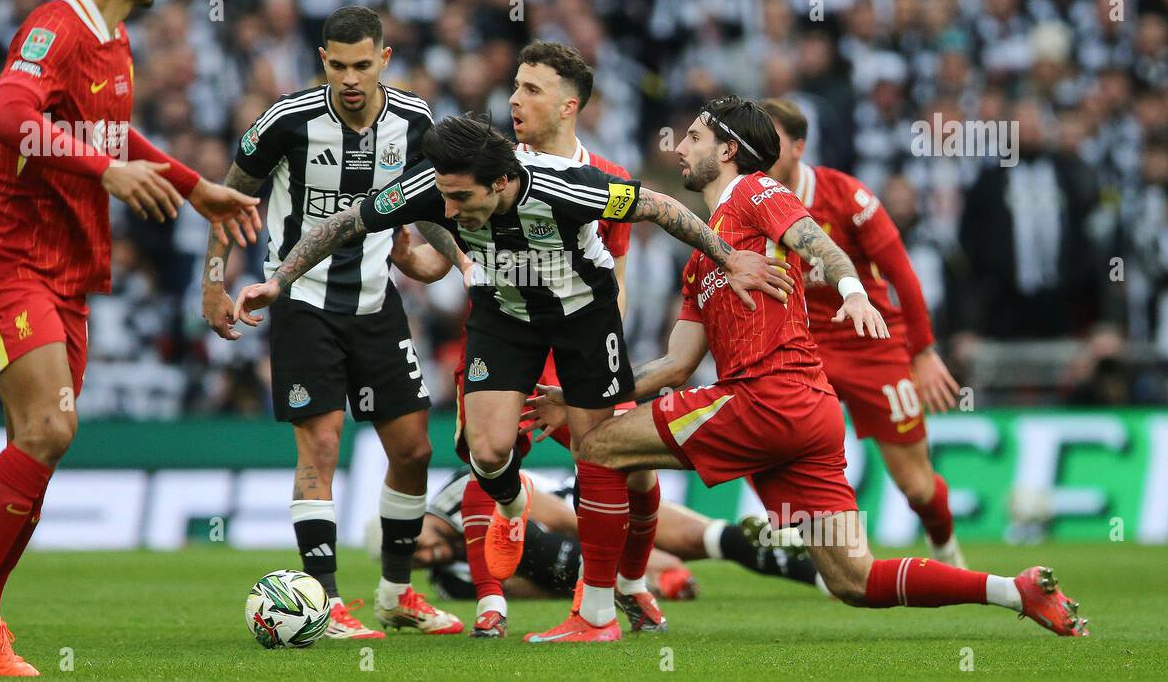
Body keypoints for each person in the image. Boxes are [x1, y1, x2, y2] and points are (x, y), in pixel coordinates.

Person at [531, 95, 1089, 639]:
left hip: (763, 398)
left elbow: (820, 244)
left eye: (695, 138)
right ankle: (1015, 591)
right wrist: (578, 400)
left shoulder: (754, 191)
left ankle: (601, 611)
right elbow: (677, 364)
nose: (679, 147)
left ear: (728, 151)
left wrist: (852, 290)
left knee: (600, 446)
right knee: (853, 578)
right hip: (807, 417)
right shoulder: (705, 256)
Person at [231, 113, 794, 643]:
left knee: (603, 453)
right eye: (444, 196)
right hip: (504, 316)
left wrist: (728, 257)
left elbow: (659, 206)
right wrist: (279, 281)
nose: (448, 212)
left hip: (582, 316)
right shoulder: (429, 188)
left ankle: (601, 609)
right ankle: (510, 509)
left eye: (462, 199)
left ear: (502, 181)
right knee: (490, 451)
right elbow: (343, 223)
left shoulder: (567, 186)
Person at [0, 0, 262, 678]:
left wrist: (192, 185)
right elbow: (9, 117)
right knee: (49, 429)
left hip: (68, 271)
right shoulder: (55, 26)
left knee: (37, 443)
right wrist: (106, 171)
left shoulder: (113, 40)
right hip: (8, 260)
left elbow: (109, 133)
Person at [203, 6, 462, 638]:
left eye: (362, 65)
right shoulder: (287, 122)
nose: (350, 78)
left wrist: (451, 261)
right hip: (300, 303)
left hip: (376, 302)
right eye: (338, 65)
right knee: (320, 448)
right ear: (323, 60)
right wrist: (213, 282)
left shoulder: (415, 122)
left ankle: (397, 596)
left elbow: (427, 207)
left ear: (384, 60)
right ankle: (326, 602)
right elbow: (228, 200)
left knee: (414, 449)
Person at [448, 41, 668, 637]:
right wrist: (448, 260)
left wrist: (590, 373)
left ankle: (630, 583)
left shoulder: (606, 183)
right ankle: (490, 602)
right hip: (508, 334)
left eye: (531, 90)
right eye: (515, 87)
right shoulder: (489, 168)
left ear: (569, 107)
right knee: (487, 456)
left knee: (637, 470)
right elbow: (441, 220)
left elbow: (614, 283)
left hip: (581, 338)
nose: (514, 100)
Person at [760, 97, 966, 566]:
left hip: (871, 341)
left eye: (771, 142)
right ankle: (835, 557)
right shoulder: (750, 202)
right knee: (772, 438)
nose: (760, 151)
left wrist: (924, 351)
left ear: (798, 146)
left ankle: (944, 545)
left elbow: (902, 274)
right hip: (802, 348)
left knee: (916, 485)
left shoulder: (845, 196)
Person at [382, 467, 820, 603]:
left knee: (705, 538)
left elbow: (563, 519)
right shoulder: (451, 581)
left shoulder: (463, 491)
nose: (426, 557)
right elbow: (531, 589)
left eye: (416, 548)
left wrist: (640, 558)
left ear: (414, 526)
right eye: (416, 563)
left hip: (587, 506)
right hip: (576, 562)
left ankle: (821, 571)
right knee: (687, 558)